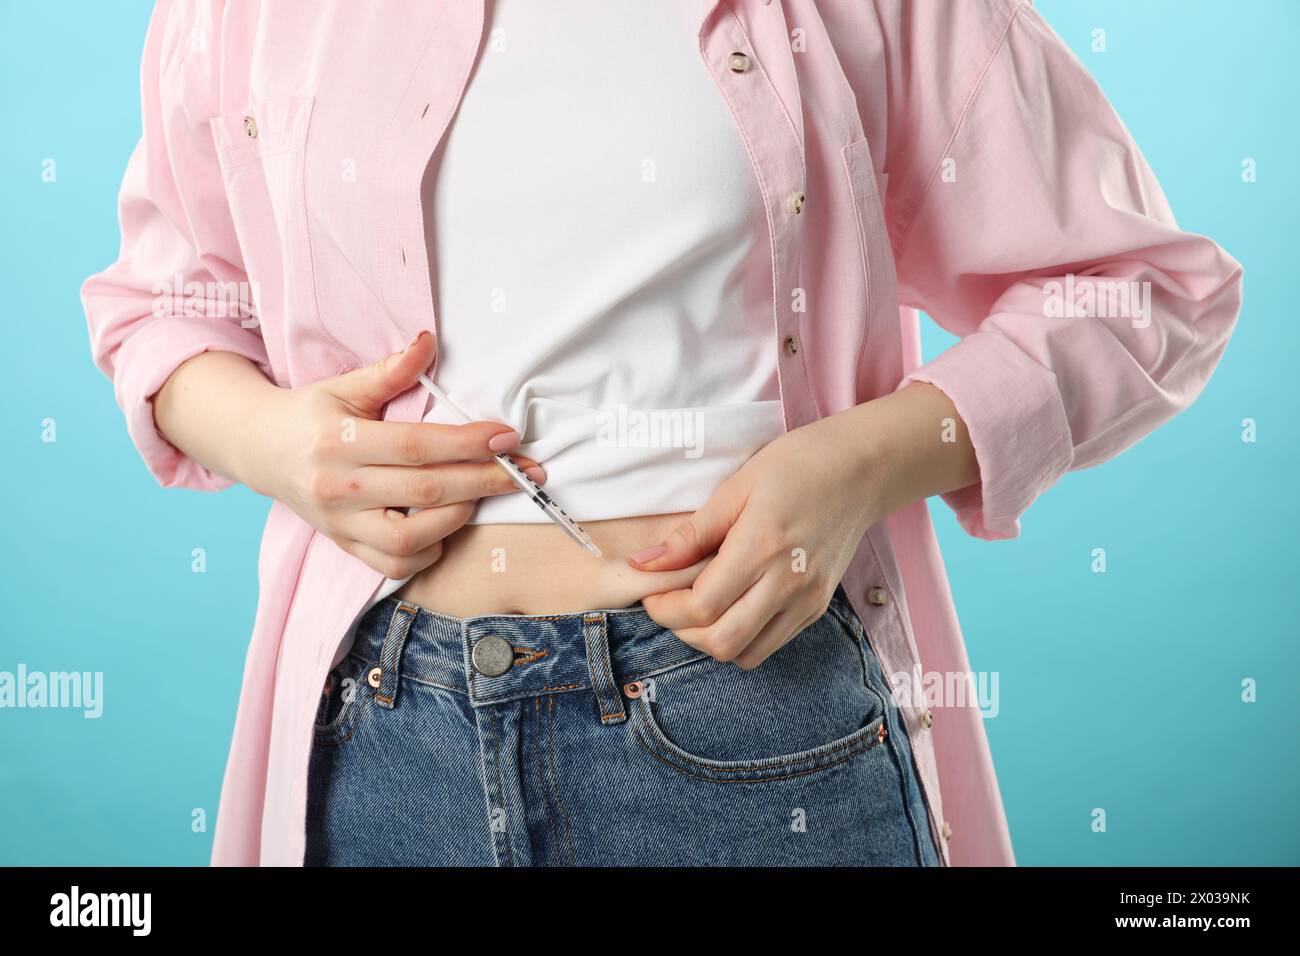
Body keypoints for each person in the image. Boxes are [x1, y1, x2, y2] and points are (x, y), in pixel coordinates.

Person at [83, 0, 1242, 866]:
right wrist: (283, 446)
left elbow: (1142, 290)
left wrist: (859, 463)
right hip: (381, 738)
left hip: (745, 713)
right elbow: (162, 306)